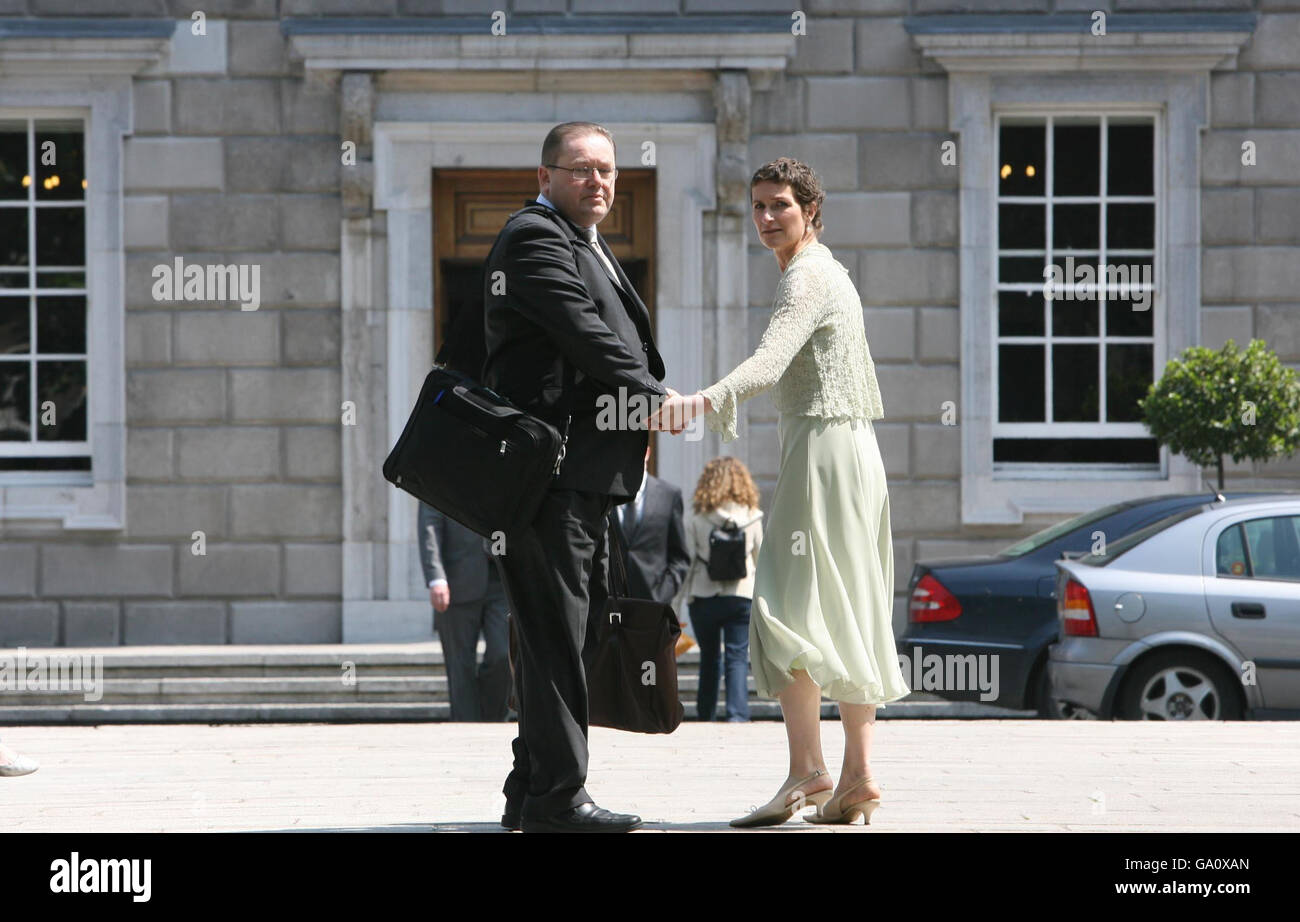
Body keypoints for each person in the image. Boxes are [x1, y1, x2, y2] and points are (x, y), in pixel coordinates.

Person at [651, 157, 909, 827]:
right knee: (850, 609)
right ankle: (856, 778)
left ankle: (808, 773)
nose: (768, 218)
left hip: (825, 455)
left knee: (779, 610)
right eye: (760, 206)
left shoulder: (806, 277)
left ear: (811, 211)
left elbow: (770, 360)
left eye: (781, 207)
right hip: (854, 455)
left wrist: (697, 404)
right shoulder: (832, 273)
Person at [483, 121, 669, 833]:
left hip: (586, 477)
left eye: (609, 171)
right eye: (582, 169)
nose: (599, 182)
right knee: (560, 633)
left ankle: (529, 786)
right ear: (546, 175)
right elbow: (586, 336)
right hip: (548, 479)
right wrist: (657, 398)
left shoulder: (587, 244)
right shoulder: (536, 237)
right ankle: (559, 799)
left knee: (572, 629)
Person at [683, 457, 763, 723]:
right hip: (740, 595)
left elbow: (689, 560)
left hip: (704, 596)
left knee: (709, 656)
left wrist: (678, 601)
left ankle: (705, 714)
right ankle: (737, 714)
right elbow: (760, 559)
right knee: (737, 655)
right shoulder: (752, 516)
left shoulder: (696, 517)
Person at [418, 501, 511, 722]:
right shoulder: (440, 471)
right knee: (460, 665)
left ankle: (493, 720)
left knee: (503, 654)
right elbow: (429, 524)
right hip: (456, 580)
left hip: (502, 579)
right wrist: (436, 577)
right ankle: (466, 726)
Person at [605, 445, 690, 607]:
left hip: (653, 603)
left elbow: (680, 557)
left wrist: (664, 593)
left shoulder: (669, 494)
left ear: (647, 452)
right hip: (610, 602)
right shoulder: (605, 494)